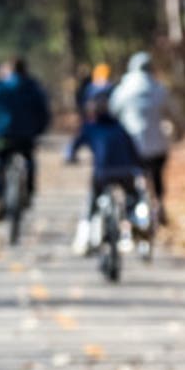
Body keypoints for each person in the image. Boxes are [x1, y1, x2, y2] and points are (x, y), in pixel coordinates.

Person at [62, 93, 147, 253]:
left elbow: (73, 146)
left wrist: (70, 157)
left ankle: (83, 239)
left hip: (102, 174)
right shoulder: (120, 128)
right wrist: (140, 167)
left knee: (92, 203)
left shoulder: (90, 127)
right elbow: (135, 152)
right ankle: (132, 225)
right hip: (125, 172)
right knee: (132, 198)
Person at [0, 57, 51, 219]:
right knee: (30, 162)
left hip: (3, 135)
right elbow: (44, 113)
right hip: (26, 136)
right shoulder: (33, 88)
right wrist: (38, 131)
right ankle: (29, 191)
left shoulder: (0, 87)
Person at [108, 51, 172, 221]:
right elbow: (173, 112)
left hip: (130, 146)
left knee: (132, 178)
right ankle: (159, 203)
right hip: (157, 146)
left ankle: (132, 211)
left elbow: (112, 112)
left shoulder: (123, 89)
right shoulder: (159, 88)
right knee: (157, 173)